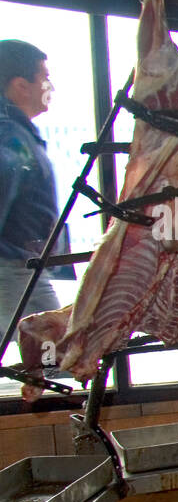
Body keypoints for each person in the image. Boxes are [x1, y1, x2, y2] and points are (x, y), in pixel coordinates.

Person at [1, 39, 73, 333]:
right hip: (14, 271)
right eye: (45, 78)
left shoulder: (16, 133)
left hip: (19, 270)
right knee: (56, 358)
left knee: (52, 362)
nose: (51, 87)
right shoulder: (10, 137)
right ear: (21, 85)